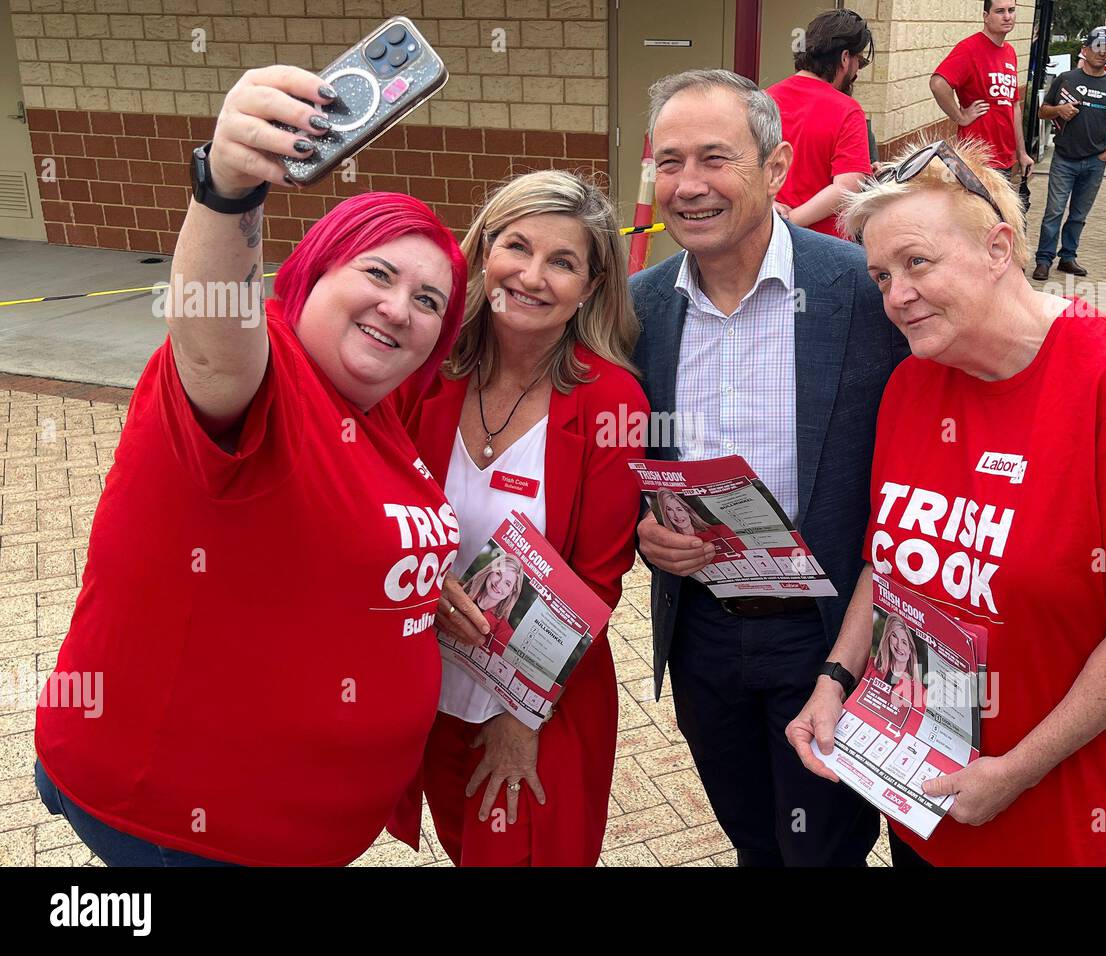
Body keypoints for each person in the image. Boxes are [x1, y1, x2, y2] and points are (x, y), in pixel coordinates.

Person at [32, 65, 476, 866]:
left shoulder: (372, 415)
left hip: (293, 831)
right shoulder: (258, 376)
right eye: (377, 273)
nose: (398, 308)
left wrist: (410, 573)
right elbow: (209, 331)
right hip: (181, 829)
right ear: (309, 273)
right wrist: (229, 188)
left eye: (428, 302)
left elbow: (319, 532)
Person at [786, 136, 1106, 866]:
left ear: (999, 248)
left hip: (1068, 812)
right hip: (930, 792)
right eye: (880, 275)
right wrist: (835, 680)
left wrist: (1015, 770)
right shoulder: (913, 382)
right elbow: (888, 562)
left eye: (917, 263)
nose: (896, 295)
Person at [630, 69, 909, 867]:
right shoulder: (641, 306)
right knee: (754, 835)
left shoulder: (861, 288)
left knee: (824, 849)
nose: (688, 186)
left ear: (778, 167)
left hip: (827, 639)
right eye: (669, 161)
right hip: (705, 637)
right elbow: (620, 454)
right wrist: (646, 533)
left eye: (716, 159)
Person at [385, 169, 647, 867]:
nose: (531, 276)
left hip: (541, 701)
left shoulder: (611, 402)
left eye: (562, 262)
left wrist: (519, 717)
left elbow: (596, 581)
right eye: (516, 247)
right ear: (482, 251)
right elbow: (373, 514)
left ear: (590, 287)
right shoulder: (426, 372)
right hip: (430, 688)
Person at [767, 8, 874, 237]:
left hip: (764, 238)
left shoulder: (763, 99)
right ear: (845, 58)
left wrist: (771, 217)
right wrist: (791, 221)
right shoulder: (847, 110)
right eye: (859, 61)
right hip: (822, 246)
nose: (857, 71)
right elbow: (848, 186)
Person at [1033, 28, 1106, 281]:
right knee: (1054, 211)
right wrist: (1059, 109)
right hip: (1064, 159)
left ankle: (1068, 257)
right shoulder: (1065, 79)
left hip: (1095, 162)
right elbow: (1042, 112)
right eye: (1096, 47)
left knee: (1078, 215)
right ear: (1085, 51)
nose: (1101, 52)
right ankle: (1043, 259)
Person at [930, 0, 1033, 185]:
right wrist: (960, 116)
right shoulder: (969, 48)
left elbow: (1014, 105)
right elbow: (938, 84)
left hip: (1005, 159)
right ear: (986, 17)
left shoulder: (1010, 52)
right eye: (1000, 11)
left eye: (1011, 10)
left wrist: (1022, 153)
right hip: (976, 159)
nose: (1007, 16)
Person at [863, 614, 924, 710]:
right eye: (894, 636)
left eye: (904, 642)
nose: (899, 646)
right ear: (888, 638)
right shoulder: (871, 665)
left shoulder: (919, 692)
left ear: (910, 649)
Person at [657, 489, 736, 554]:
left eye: (679, 509)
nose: (676, 515)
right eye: (669, 510)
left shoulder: (718, 530)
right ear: (665, 514)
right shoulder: (668, 543)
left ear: (687, 510)